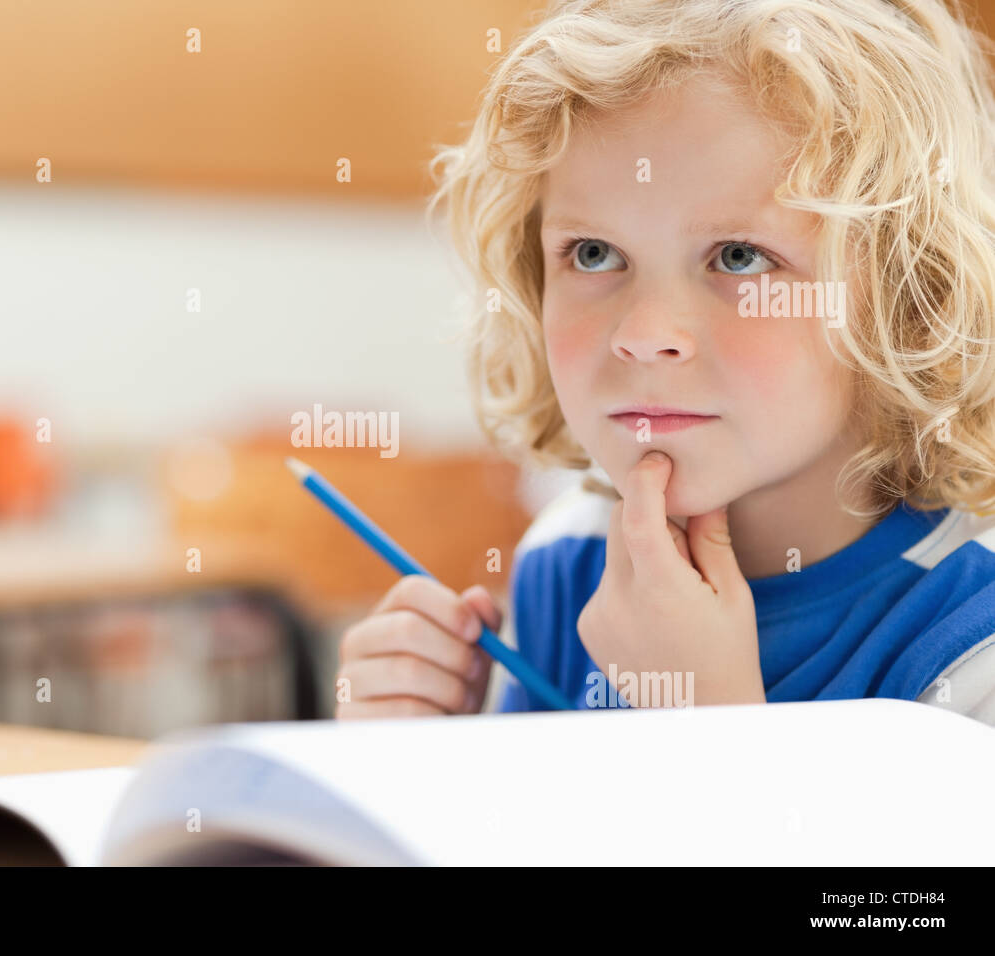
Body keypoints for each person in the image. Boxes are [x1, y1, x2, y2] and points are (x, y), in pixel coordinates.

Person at [336, 0, 995, 724]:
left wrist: (705, 720)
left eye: (739, 258)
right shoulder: (567, 559)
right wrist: (419, 760)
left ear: (913, 296)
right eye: (594, 254)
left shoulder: (971, 641)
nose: (645, 334)